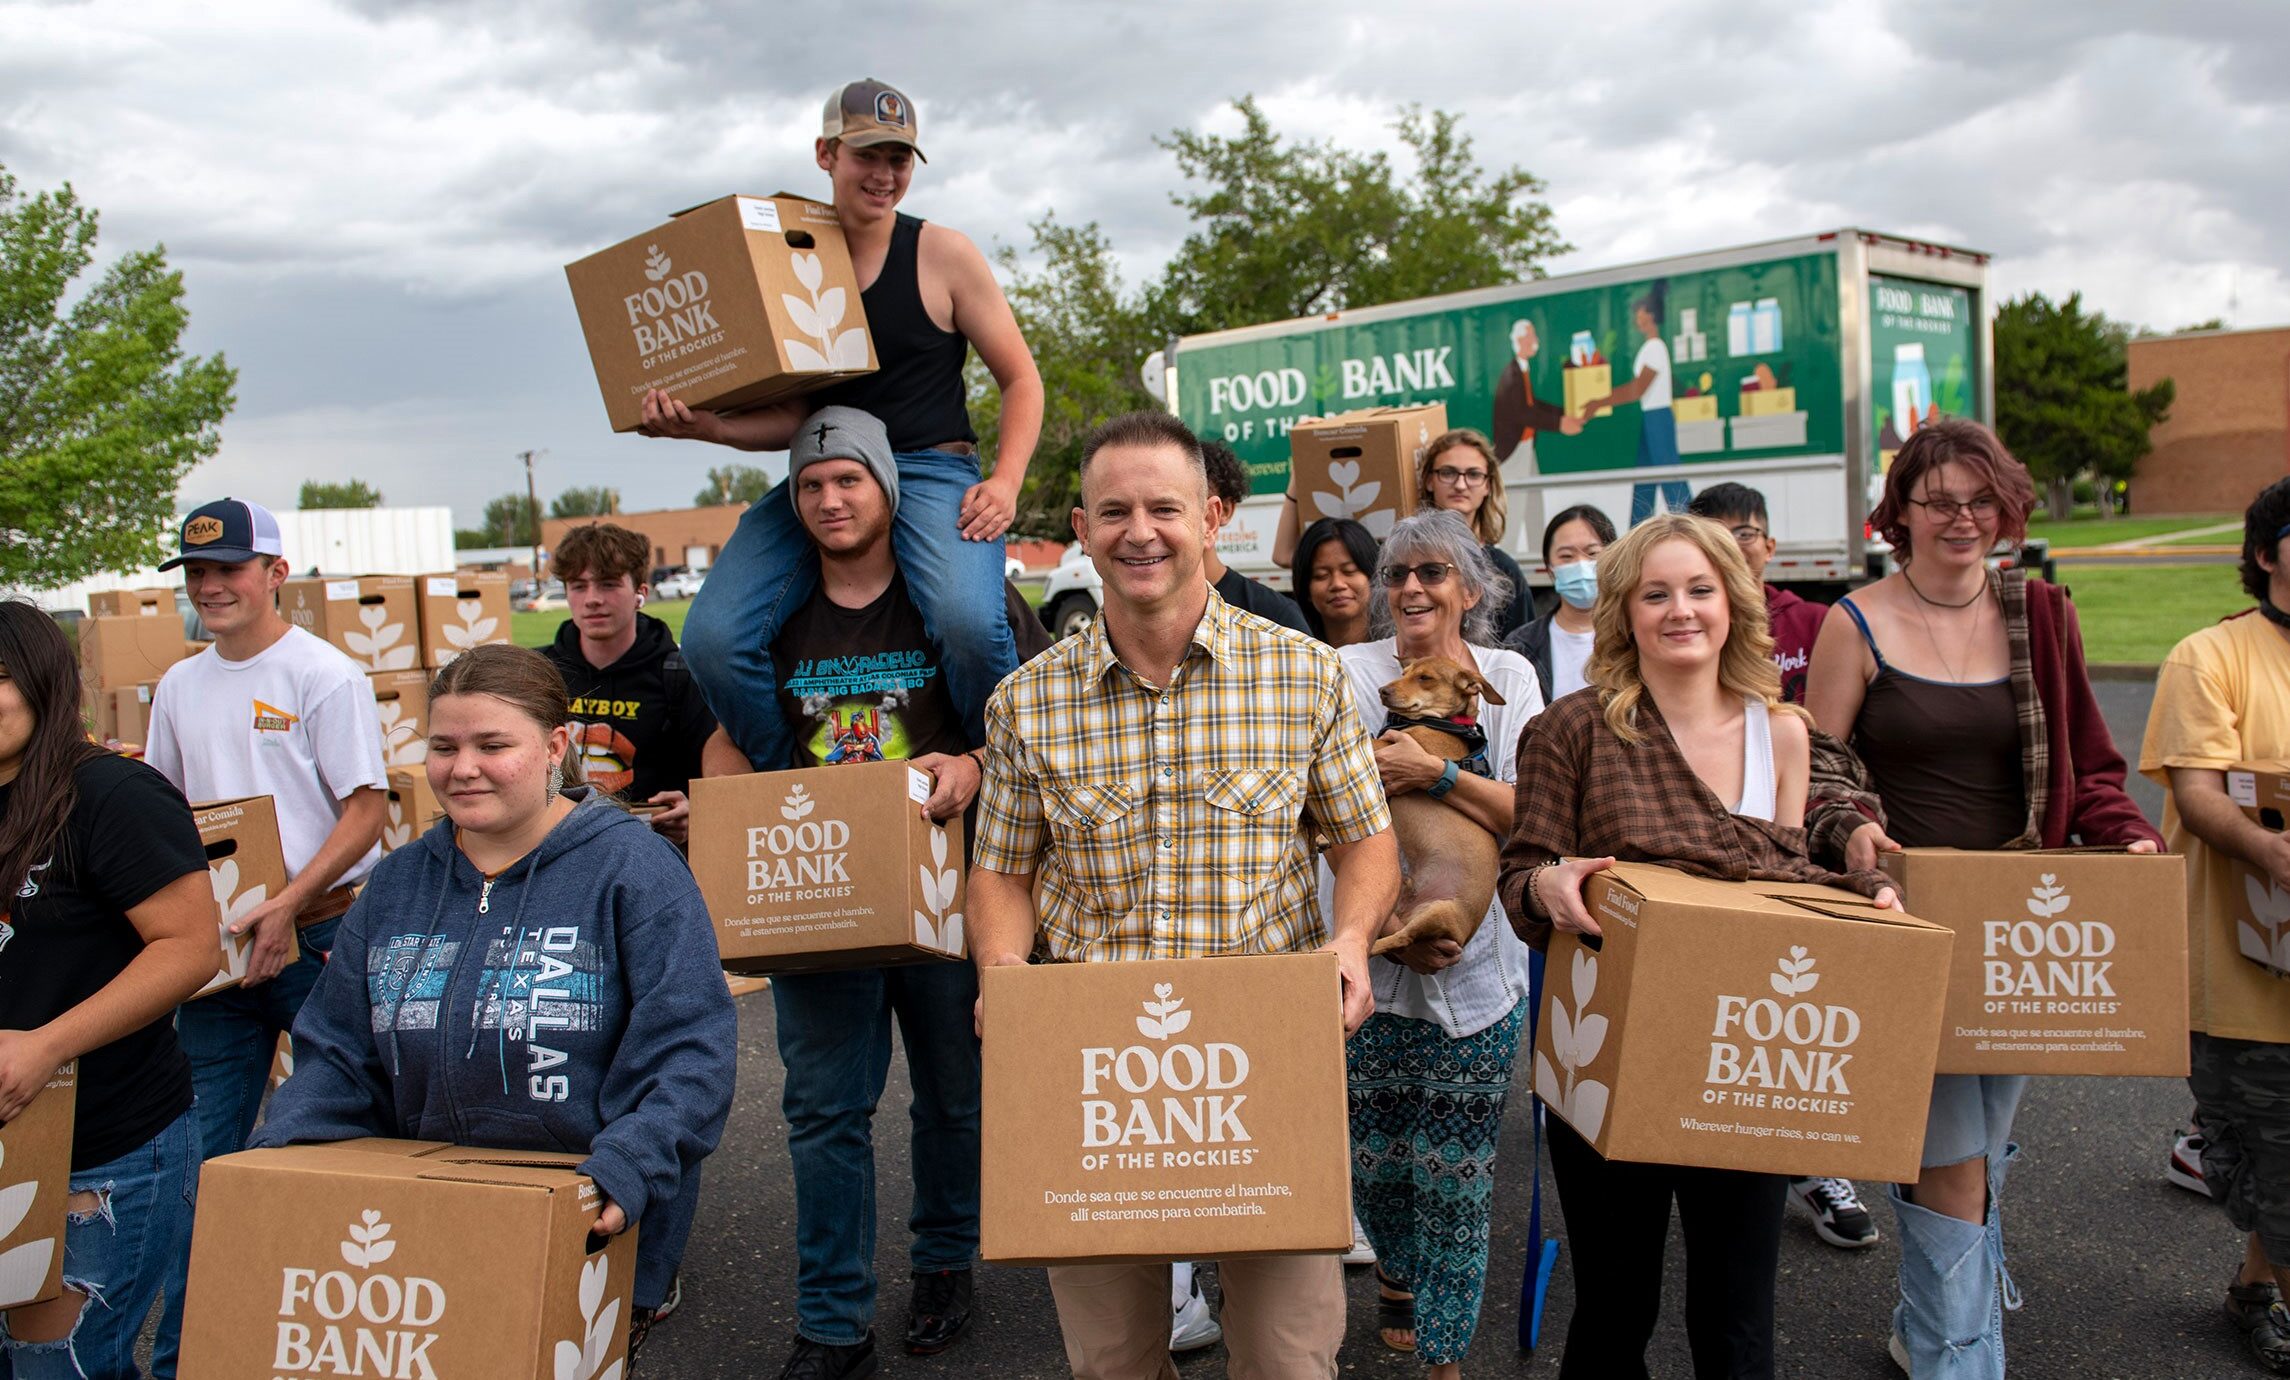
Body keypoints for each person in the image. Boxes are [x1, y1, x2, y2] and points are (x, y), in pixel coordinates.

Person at [968, 411, 1401, 1380]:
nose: (1140, 532)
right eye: (1113, 511)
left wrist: (1350, 940)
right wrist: (1002, 968)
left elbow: (1366, 843)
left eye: (1164, 508)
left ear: (1210, 518)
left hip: (1267, 1065)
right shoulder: (1025, 703)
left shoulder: (1302, 676)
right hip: (1096, 1077)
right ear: (1081, 530)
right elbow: (1000, 871)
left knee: (1289, 1362)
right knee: (1113, 1362)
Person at [250, 644, 738, 1364]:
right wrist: (283, 1153)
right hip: (418, 1227)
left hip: (583, 1228)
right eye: (444, 747)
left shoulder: (634, 870)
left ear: (555, 746)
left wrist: (633, 1165)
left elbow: (690, 1048)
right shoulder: (397, 885)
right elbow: (338, 1050)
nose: (463, 768)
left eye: (492, 745)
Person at [1498, 513, 1898, 1379]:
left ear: (1733, 603)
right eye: (1656, 594)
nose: (1680, 610)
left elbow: (1784, 883)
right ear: (1624, 612)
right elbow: (1522, 873)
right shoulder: (1572, 730)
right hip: (1608, 1053)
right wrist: (1551, 884)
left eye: (1700, 590)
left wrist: (1867, 893)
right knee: (1615, 1311)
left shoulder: (1780, 733)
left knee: (1736, 1319)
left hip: (1742, 1052)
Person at [1802, 418, 2160, 1376]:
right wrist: (1853, 832)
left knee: (1979, 1154)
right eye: (1939, 502)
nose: (1962, 519)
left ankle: (1923, 1330)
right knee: (1954, 1159)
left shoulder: (2040, 612)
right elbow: (1819, 771)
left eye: (1981, 501)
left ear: (2006, 509)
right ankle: (1961, 1359)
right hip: (1911, 921)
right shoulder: (1855, 621)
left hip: (2022, 931)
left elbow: (2089, 765)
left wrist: (2128, 835)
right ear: (1901, 513)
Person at [696, 407, 1049, 1379]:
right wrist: (735, 799)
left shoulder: (959, 600)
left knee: (952, 1095)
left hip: (945, 886)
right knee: (823, 1112)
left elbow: (1036, 726)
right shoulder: (772, 611)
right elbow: (726, 740)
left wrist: (974, 762)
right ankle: (831, 1322)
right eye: (811, 485)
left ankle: (943, 1264)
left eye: (848, 479)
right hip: (823, 891)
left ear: (888, 489)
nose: (830, 499)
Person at [640, 78, 1044, 776]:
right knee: (710, 637)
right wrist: (703, 426)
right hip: (825, 467)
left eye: (900, 159)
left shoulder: (941, 254)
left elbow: (1021, 379)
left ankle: (1003, 774)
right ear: (826, 154)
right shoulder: (789, 258)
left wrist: (1006, 481)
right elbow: (794, 416)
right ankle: (792, 783)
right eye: (867, 156)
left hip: (926, 467)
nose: (885, 175)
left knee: (967, 620)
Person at [141, 497, 389, 1373]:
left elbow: (366, 812)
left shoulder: (323, 675)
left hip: (319, 941)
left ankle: (342, 1343)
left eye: (229, 569)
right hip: (217, 957)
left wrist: (288, 904)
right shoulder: (180, 685)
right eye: (196, 573)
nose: (210, 587)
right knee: (202, 1169)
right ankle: (187, 1359)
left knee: (345, 1148)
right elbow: (165, 810)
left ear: (276, 573)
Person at [1324, 511, 1543, 1376]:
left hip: (1479, 981)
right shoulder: (1351, 672)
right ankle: (1398, 1272)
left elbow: (1537, 814)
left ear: (1473, 588)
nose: (1411, 588)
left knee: (1456, 1184)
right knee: (1378, 1174)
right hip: (1371, 974)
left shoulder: (1508, 676)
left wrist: (1440, 773)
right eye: (1397, 574)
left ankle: (1445, 1361)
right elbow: (1328, 812)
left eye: (1432, 573)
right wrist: (1385, 930)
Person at [0, 604, 219, 1380]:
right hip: (9, 1146)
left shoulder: (111, 794)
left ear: (41, 682)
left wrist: (45, 1046)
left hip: (101, 1153)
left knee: (56, 1367)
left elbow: (190, 949)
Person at [1683, 482, 1872, 1249]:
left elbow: (1833, 759)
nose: (1687, 609)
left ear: (1767, 545)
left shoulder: (1814, 629)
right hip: (1686, 918)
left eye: (1744, 534)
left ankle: (1814, 1165)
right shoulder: (1597, 725)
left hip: (1787, 871)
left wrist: (1854, 840)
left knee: (1784, 1038)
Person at [2139, 476, 2290, 1374]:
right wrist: (2273, 851)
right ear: (2267, 554)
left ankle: (2252, 1290)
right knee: (2276, 1158)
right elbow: (2198, 796)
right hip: (2248, 978)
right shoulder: (2212, 658)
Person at [540, 522, 717, 846]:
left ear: (641, 593)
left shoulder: (681, 674)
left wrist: (697, 812)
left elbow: (714, 780)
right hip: (557, 852)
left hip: (648, 853)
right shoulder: (538, 672)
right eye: (578, 586)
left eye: (608, 584)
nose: (592, 599)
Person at [1688, 483, 1825, 708]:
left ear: (1769, 548)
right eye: (1716, 538)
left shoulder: (1816, 622)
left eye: (1745, 534)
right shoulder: (1686, 630)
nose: (1732, 546)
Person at [1578, 282, 1692, 526]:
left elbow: (1639, 388)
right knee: (1645, 479)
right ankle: (1637, 529)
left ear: (1650, 316)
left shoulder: (1655, 347)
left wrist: (1599, 402)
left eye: (1640, 313)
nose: (1636, 319)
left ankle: (1691, 526)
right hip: (1649, 415)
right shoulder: (1651, 347)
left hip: (1657, 416)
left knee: (1670, 476)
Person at [1503, 505, 1615, 703]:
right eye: (1566, 556)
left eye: (1592, 553)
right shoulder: (1521, 645)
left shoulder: (1634, 636)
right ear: (1549, 566)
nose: (1580, 564)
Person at [1200, 442, 1310, 633]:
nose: (1147, 531)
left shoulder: (1275, 617)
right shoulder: (1142, 612)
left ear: (1223, 511)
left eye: (1168, 508)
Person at [1490, 319, 1582, 543]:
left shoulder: (1522, 369)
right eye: (1532, 336)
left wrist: (1563, 414)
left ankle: (1538, 551)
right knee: (1513, 505)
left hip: (1526, 447)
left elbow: (1533, 405)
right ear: (1521, 340)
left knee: (1533, 501)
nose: (1536, 341)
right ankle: (1507, 552)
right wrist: (1559, 423)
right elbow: (1522, 413)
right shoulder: (1511, 374)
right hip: (1514, 452)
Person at [1290, 517, 1379, 649]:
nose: (1337, 584)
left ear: (1373, 577)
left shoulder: (1400, 648)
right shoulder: (1297, 651)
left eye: (1349, 571)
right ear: (1306, 589)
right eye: (1321, 575)